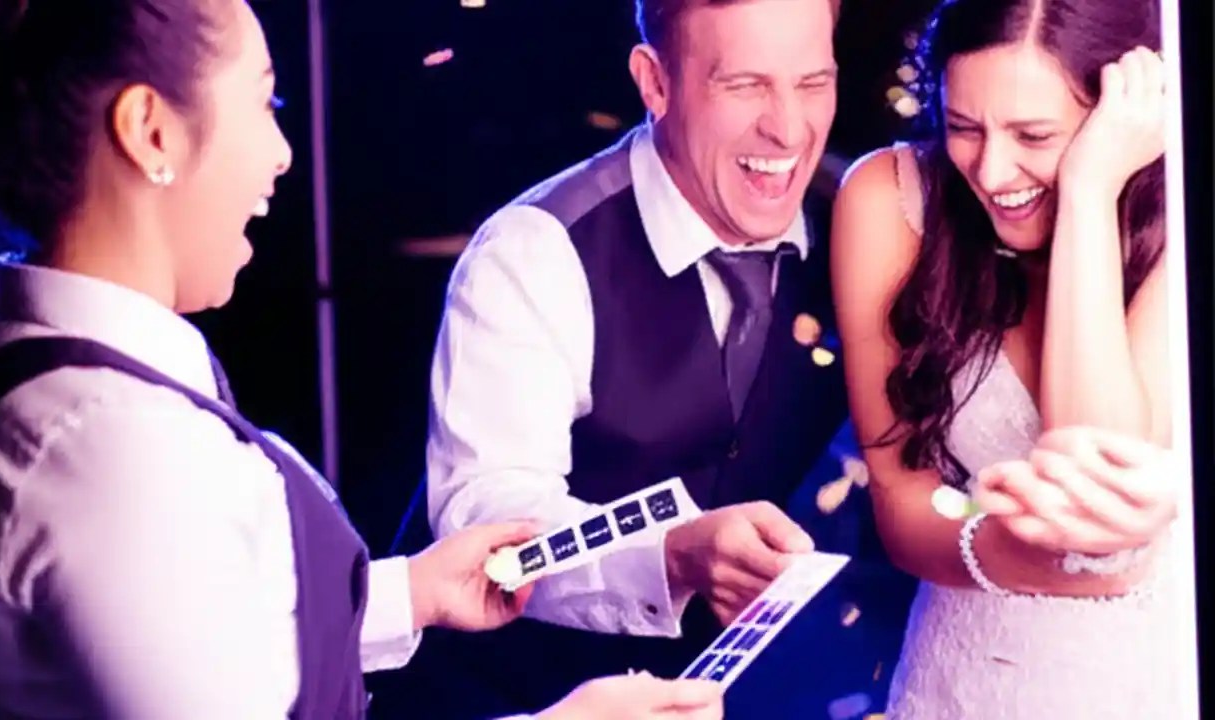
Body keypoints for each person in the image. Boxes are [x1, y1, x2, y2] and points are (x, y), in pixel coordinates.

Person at [0, 2, 724, 719]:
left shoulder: (50, 379)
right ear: (151, 131)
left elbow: (200, 635)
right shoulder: (108, 446)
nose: (282, 154)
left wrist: (409, 596)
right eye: (264, 102)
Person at [368, 0, 896, 718]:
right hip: (519, 700)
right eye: (744, 85)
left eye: (812, 83)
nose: (790, 127)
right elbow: (490, 515)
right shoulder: (537, 251)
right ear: (654, 82)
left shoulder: (859, 225)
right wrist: (670, 553)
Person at [831, 0, 1183, 716]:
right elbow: (901, 500)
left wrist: (1089, 192)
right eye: (964, 128)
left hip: (1147, 683)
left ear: (1124, 115)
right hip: (961, 685)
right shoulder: (889, 202)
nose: (991, 171)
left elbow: (1097, 462)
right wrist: (1020, 560)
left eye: (1034, 134)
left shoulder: (1182, 218)